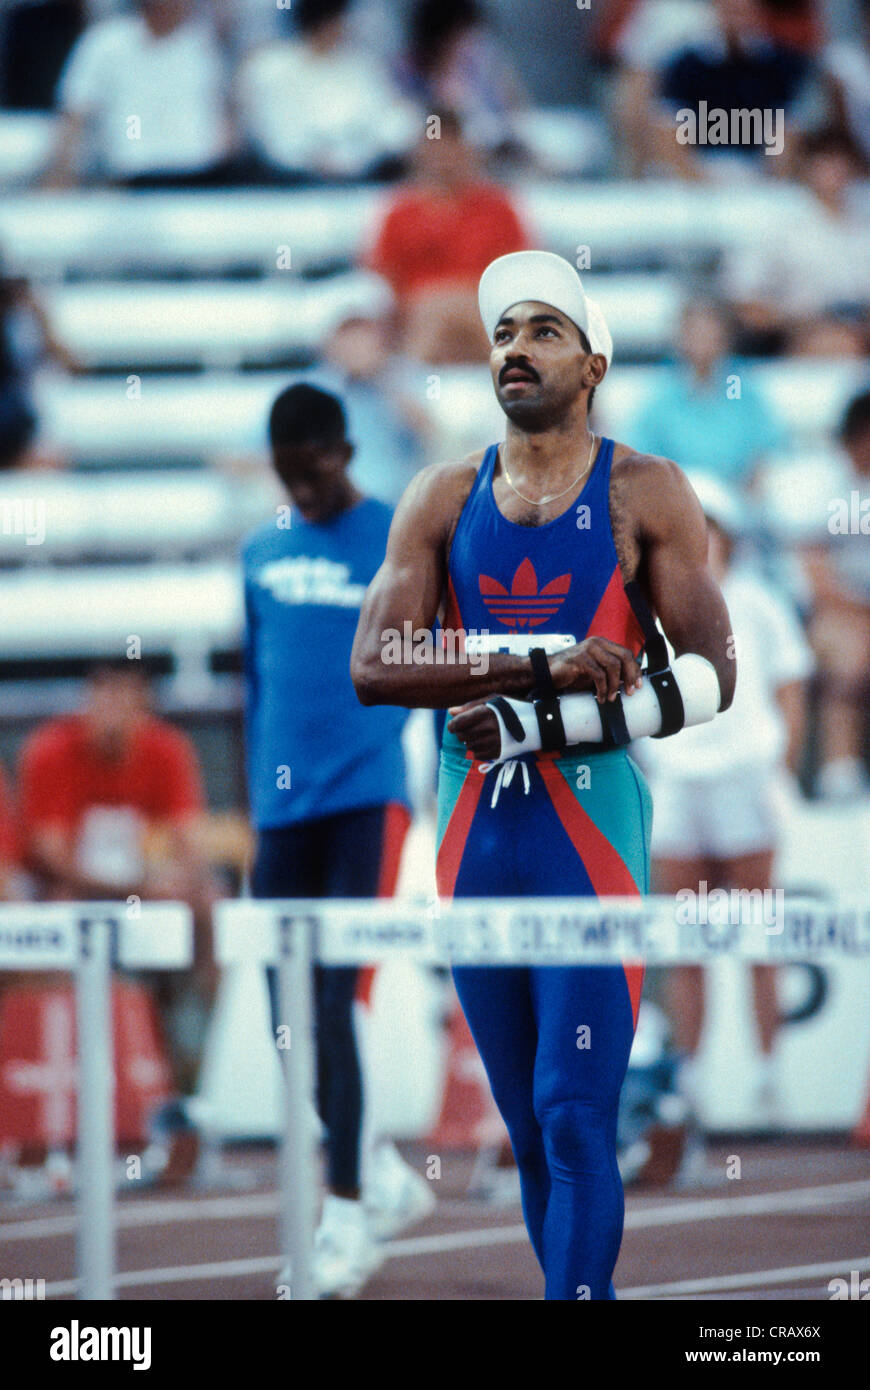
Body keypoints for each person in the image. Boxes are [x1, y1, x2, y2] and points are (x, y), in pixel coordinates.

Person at [350, 250, 735, 1299]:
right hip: (473, 832)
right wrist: (538, 668)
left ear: (593, 364)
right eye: (504, 334)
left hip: (590, 826)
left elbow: (715, 675)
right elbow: (374, 668)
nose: (516, 349)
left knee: (573, 1112)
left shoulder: (646, 489)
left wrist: (543, 718)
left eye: (544, 331)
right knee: (526, 1123)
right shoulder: (441, 494)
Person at [242, 383, 433, 1300]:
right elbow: (256, 682)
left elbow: (442, 660)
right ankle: (377, 1168)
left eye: (312, 470)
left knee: (330, 1001)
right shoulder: (260, 550)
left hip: (365, 799)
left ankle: (347, 1215)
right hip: (280, 810)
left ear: (345, 452)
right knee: (286, 1013)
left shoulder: (400, 538)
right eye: (286, 474)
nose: (301, 489)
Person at [635, 473, 812, 1165]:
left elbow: (790, 687)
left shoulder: (758, 601)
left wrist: (777, 768)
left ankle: (769, 1078)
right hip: (679, 780)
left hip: (743, 779)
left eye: (710, 525)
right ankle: (693, 1083)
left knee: (759, 932)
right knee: (687, 943)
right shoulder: (650, 605)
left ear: (729, 534)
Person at [17, 659, 217, 1096]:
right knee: (59, 914)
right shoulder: (51, 748)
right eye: (106, 698)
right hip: (73, 891)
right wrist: (138, 888)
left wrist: (178, 882)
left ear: (144, 706)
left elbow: (191, 840)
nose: (115, 713)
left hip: (138, 889)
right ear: (88, 701)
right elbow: (51, 856)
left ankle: (205, 1051)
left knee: (207, 904)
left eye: (127, 700)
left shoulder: (165, 748)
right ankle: (63, 1065)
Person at [364, 109, 529, 364]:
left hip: (483, 315)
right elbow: (385, 278)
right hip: (419, 319)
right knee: (435, 312)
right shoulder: (399, 212)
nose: (444, 156)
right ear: (420, 152)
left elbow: (517, 272)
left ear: (467, 150)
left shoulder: (498, 207)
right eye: (437, 146)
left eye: (452, 146)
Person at [45, 0, 234, 188]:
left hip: (199, 175)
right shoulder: (106, 42)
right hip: (131, 173)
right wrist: (60, 174)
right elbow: (75, 114)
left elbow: (224, 113)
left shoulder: (203, 45)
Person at [237, 0, 417, 183]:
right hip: (290, 181)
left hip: (360, 176)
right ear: (323, 22)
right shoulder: (271, 67)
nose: (345, 27)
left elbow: (391, 123)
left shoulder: (362, 66)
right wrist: (311, 158)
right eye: (338, 21)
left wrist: (357, 157)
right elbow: (272, 136)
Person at [625, 298, 783, 489]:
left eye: (710, 334)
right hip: (679, 496)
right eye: (695, 334)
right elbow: (642, 455)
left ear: (725, 339)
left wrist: (755, 475)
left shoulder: (743, 391)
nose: (703, 343)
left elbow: (768, 445)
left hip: (737, 496)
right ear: (681, 339)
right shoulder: (660, 396)